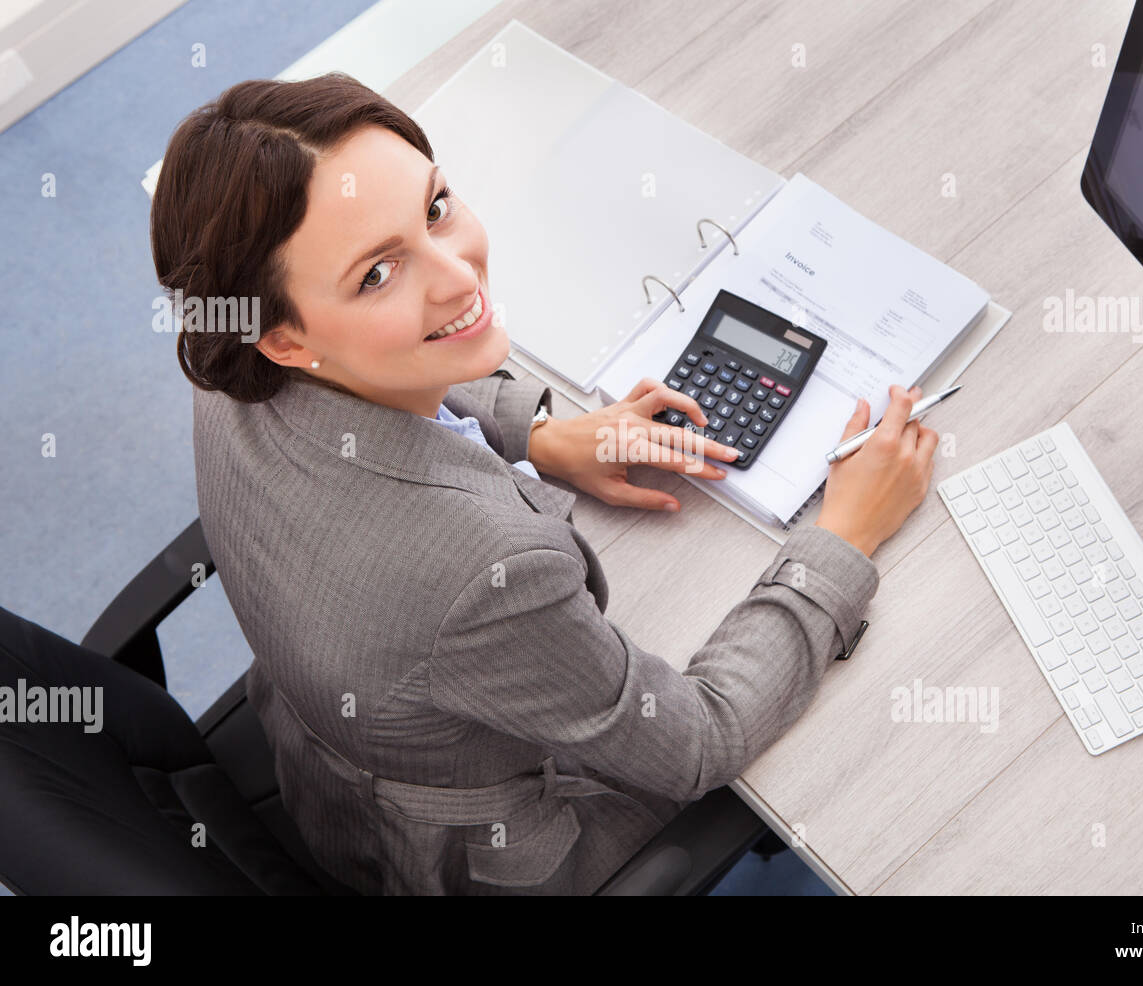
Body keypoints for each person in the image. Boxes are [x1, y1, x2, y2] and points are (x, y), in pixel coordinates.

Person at [150, 73, 938, 895]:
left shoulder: (226, 357)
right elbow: (697, 741)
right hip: (489, 853)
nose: (459, 276)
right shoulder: (482, 572)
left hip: (325, 750)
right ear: (284, 339)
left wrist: (541, 436)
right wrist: (843, 537)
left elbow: (365, 385)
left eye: (434, 208)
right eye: (376, 275)